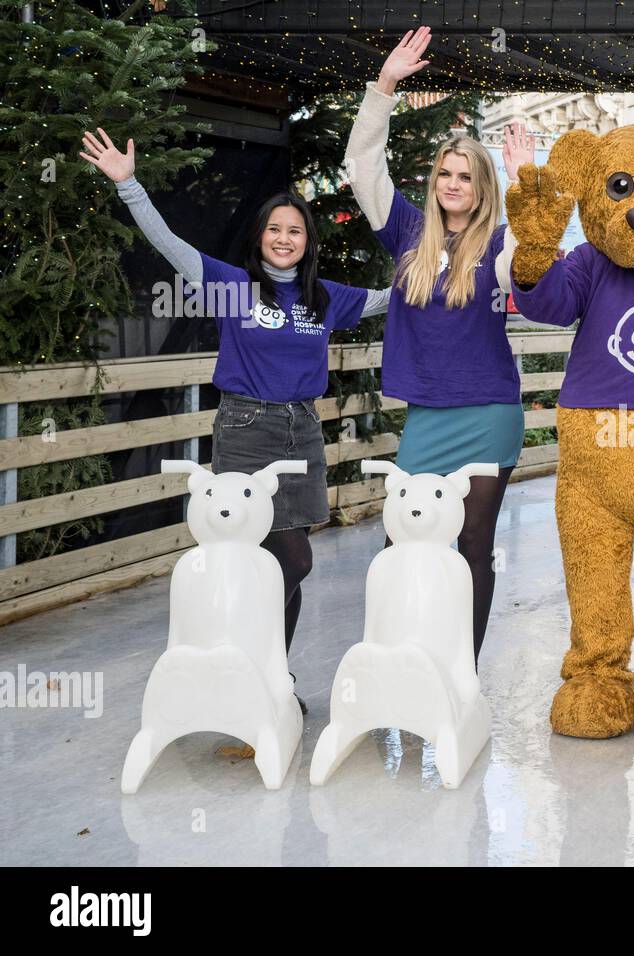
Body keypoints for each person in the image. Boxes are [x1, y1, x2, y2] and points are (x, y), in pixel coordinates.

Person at [80, 129, 391, 713]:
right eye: (274, 228)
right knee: (259, 560)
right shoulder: (232, 287)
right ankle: (245, 676)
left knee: (290, 560)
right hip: (247, 431)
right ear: (261, 236)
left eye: (295, 230)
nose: (283, 238)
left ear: (307, 242)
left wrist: (448, 264)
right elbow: (171, 246)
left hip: (301, 432)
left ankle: (272, 677)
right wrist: (130, 187)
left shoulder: (324, 297)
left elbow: (389, 299)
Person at [345, 26, 531, 664]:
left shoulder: (501, 242)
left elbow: (531, 271)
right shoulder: (406, 232)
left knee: (473, 546)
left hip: (488, 413)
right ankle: (396, 660)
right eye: (446, 173)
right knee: (402, 545)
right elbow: (361, 169)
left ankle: (460, 673)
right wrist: (385, 88)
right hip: (428, 418)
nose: (454, 183)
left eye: (467, 175)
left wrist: (527, 179)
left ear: (483, 186)